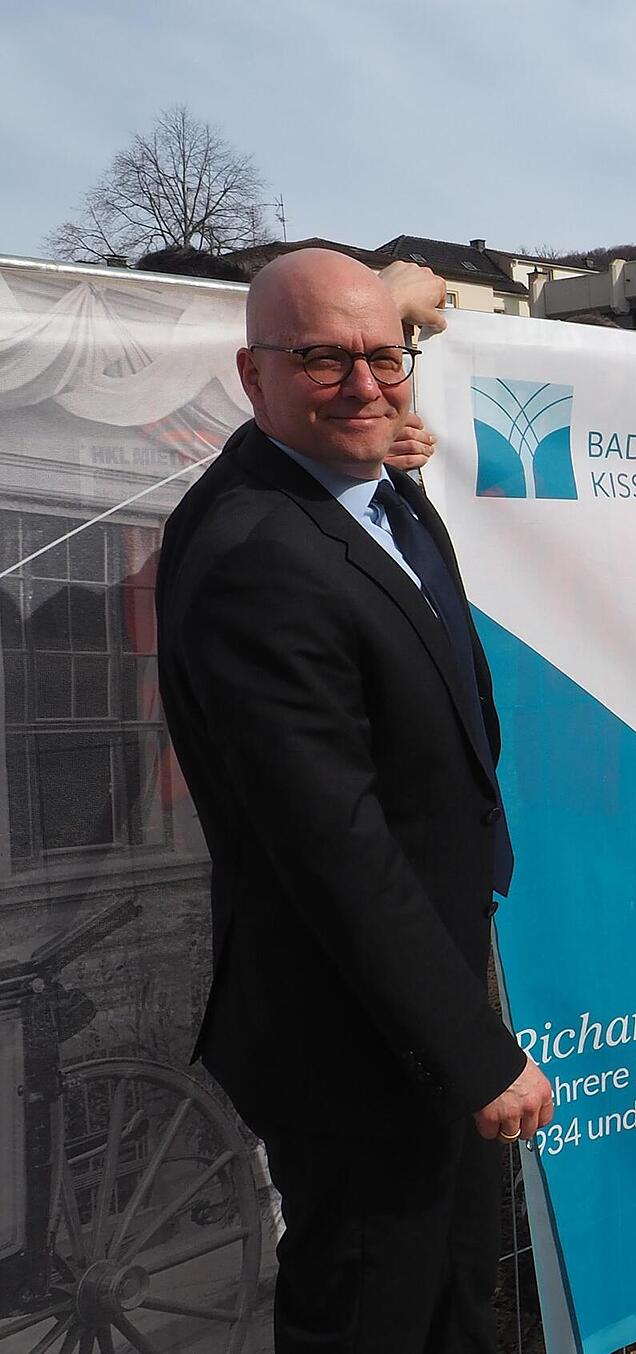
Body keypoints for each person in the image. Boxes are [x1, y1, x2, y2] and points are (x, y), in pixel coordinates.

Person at [156, 248, 552, 1352]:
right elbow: (330, 841)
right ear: (254, 374)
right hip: (355, 1034)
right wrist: (471, 1049)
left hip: (422, 985)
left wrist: (399, 306)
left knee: (456, 1303)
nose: (366, 384)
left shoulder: (368, 488)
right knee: (375, 1309)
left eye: (386, 357)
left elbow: (398, 312)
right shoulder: (256, 550)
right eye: (324, 361)